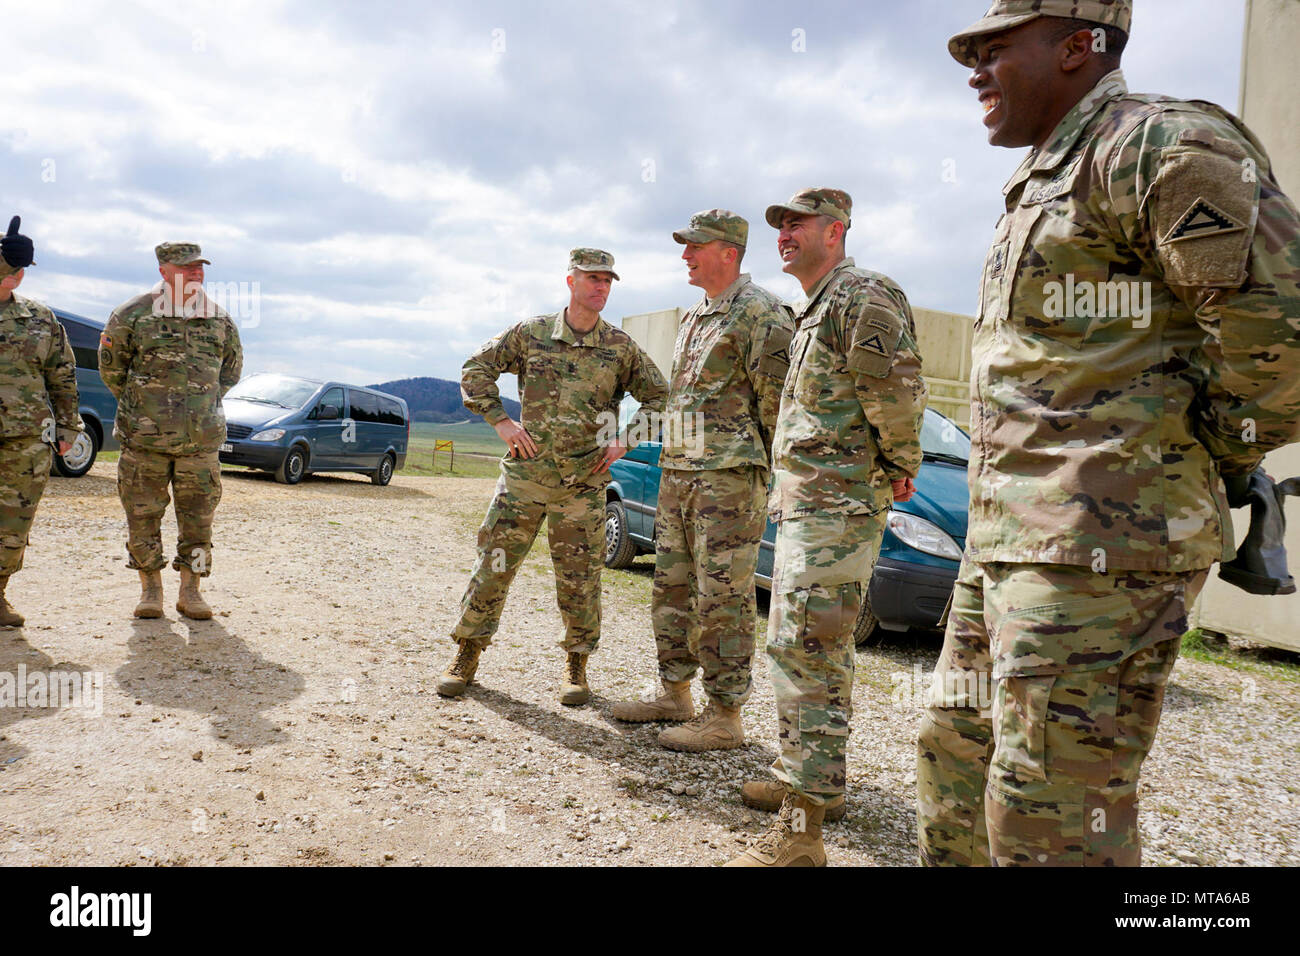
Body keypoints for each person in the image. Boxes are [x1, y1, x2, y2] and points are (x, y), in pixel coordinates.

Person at [918, 0, 1300, 866]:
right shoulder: (1043, 175)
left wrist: (1195, 455)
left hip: (1103, 547)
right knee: (953, 756)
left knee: (1049, 815)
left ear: (1077, 47)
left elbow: (1282, 346)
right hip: (1006, 538)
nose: (973, 68)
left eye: (995, 47)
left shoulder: (1160, 145)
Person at [727, 188, 927, 866]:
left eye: (798, 223)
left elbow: (895, 392)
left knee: (803, 650)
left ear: (835, 230)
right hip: (814, 504)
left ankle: (800, 834)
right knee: (821, 649)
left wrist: (901, 461)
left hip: (837, 508)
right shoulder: (815, 306)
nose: (784, 233)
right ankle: (819, 787)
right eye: (779, 225)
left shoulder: (860, 296)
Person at [439, 248, 669, 706]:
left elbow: (660, 396)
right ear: (571, 281)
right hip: (524, 479)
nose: (601, 287)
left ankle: (577, 666)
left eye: (608, 281)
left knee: (581, 579)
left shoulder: (619, 348)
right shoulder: (532, 333)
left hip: (583, 486)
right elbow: (475, 368)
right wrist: (501, 421)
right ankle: (466, 653)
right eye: (593, 279)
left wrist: (625, 439)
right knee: (494, 567)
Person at [610, 210, 793, 752]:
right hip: (679, 473)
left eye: (695, 247)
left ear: (728, 252)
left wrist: (767, 473)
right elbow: (679, 400)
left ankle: (725, 714)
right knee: (671, 590)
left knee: (723, 597)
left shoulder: (762, 314)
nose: (685, 256)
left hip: (728, 481)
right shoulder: (696, 316)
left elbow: (778, 405)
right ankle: (675, 692)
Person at [99, 243, 243, 621]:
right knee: (142, 516)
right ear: (164, 271)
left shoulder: (219, 320)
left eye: (199, 267)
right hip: (144, 442)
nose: (196, 274)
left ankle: (191, 590)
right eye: (186, 268)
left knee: (198, 519)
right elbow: (113, 371)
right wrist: (147, 408)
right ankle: (150, 589)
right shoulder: (132, 315)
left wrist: (197, 407)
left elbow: (228, 374)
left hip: (200, 443)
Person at [0, 216, 82, 627]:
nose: (17, 277)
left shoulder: (40, 318)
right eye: (15, 268)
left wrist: (69, 427)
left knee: (15, 518)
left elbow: (62, 375)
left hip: (24, 439)